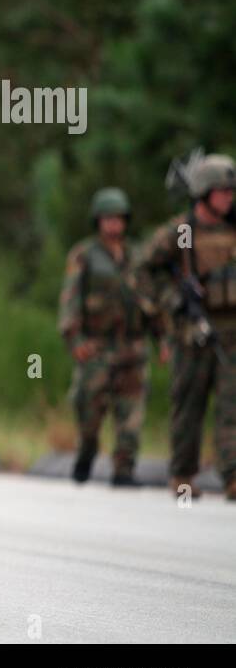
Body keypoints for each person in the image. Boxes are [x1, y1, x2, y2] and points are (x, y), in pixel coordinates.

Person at [140, 154, 236, 500]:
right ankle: (182, 475)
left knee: (232, 406)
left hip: (231, 334)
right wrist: (172, 299)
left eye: (231, 192)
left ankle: (232, 476)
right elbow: (145, 269)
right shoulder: (182, 232)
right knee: (188, 407)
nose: (229, 198)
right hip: (192, 333)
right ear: (204, 193)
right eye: (223, 191)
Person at [57, 188, 167, 486]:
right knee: (89, 412)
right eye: (108, 218)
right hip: (98, 347)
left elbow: (151, 299)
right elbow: (70, 299)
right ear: (98, 221)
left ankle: (124, 469)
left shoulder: (137, 256)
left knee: (131, 413)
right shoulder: (84, 255)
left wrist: (162, 338)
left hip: (132, 346)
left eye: (118, 218)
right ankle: (87, 451)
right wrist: (74, 338)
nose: (114, 224)